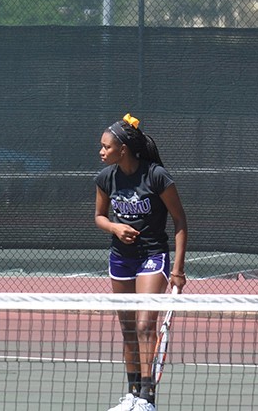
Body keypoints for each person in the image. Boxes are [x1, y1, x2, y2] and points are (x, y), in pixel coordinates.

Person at [95, 114, 188, 411]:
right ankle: (133, 394)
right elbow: (99, 217)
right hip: (121, 259)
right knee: (128, 329)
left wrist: (178, 270)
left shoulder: (156, 176)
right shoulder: (106, 179)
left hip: (152, 256)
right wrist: (115, 228)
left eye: (106, 147)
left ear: (123, 148)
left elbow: (180, 220)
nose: (101, 151)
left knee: (146, 324)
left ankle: (147, 400)